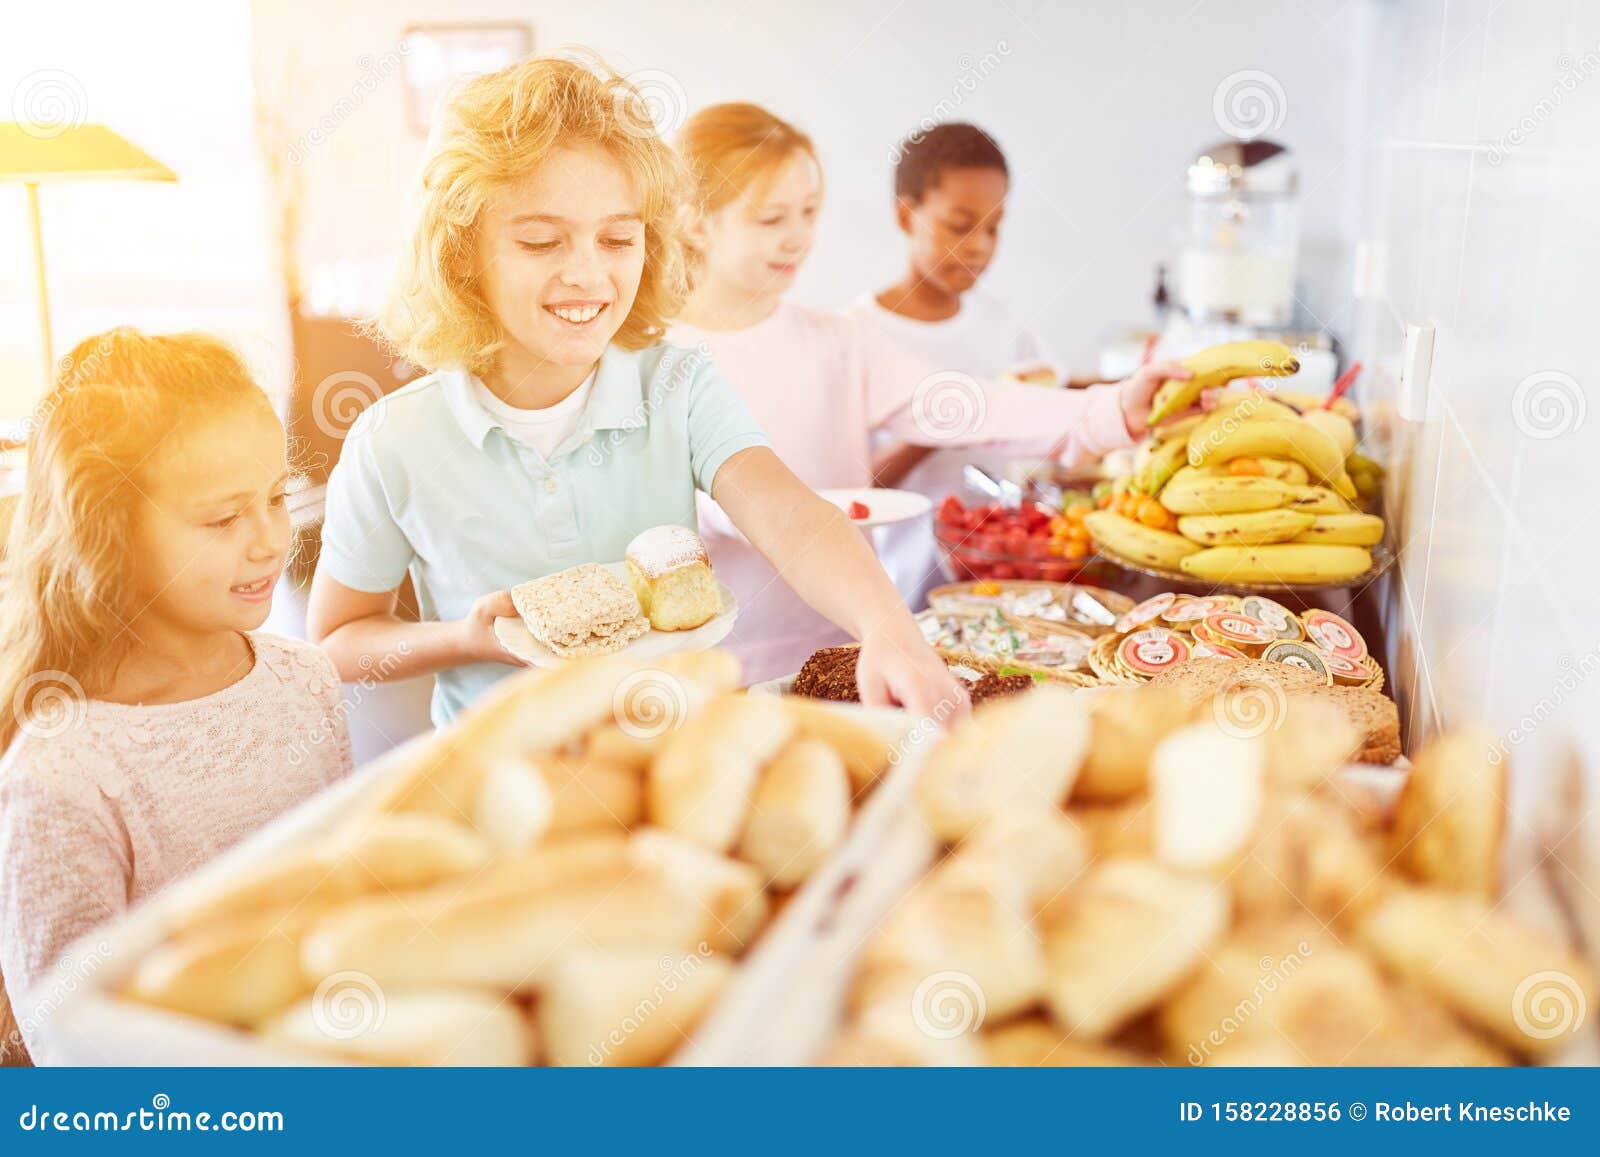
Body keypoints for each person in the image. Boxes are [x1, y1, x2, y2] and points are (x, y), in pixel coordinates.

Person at [307, 55, 963, 722]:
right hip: (506, 777)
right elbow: (336, 639)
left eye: (618, 238)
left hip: (673, 753)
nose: (587, 274)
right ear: (462, 254)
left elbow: (790, 515)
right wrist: (466, 639)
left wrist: (887, 627)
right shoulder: (394, 441)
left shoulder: (678, 382)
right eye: (541, 242)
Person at [670, 103, 1189, 681]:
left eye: (810, 213)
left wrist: (1112, 407)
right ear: (695, 222)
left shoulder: (840, 342)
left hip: (848, 652)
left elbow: (968, 404)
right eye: (771, 219)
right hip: (708, 666)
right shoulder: (649, 356)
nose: (799, 238)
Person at [0, 330, 353, 1063]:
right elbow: (69, 1042)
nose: (268, 540)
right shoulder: (63, 774)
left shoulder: (308, 679)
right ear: (110, 532)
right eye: (223, 519)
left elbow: (345, 887)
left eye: (277, 498)